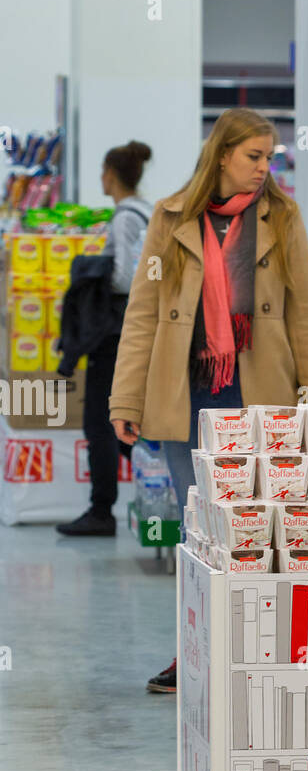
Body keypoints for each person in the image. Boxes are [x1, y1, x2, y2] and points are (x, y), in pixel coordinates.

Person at [109, 108, 308, 692]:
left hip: (262, 395)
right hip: (188, 396)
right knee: (198, 531)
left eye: (270, 158)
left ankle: (266, 655)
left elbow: (307, 313)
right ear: (223, 154)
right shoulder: (170, 219)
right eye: (254, 156)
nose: (264, 167)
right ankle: (196, 654)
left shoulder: (283, 218)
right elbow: (143, 314)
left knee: (262, 528)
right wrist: (125, 400)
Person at [57, 141, 153, 536]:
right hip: (131, 331)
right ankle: (148, 488)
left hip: (114, 334)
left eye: (102, 171)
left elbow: (125, 278)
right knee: (124, 422)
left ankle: (101, 511)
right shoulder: (147, 212)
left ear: (111, 174)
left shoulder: (126, 217)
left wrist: (92, 273)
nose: (100, 178)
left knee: (100, 422)